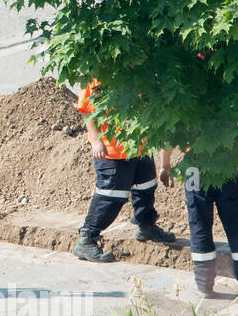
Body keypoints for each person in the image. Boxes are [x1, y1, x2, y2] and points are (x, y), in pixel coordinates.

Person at [71, 79, 177, 263]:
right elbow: (87, 110)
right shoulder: (96, 73)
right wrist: (95, 141)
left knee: (146, 187)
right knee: (111, 196)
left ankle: (146, 226)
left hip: (140, 145)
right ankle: (87, 238)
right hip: (113, 149)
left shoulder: (141, 67)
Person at [159, 150, 238, 298]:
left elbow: (168, 141)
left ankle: (204, 285)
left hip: (194, 168)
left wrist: (164, 165)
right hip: (226, 164)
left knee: (199, 223)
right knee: (236, 223)